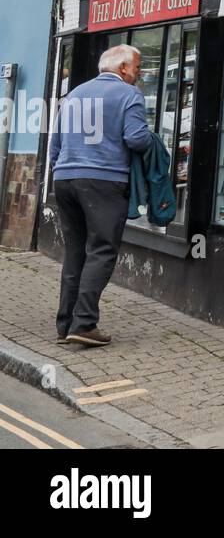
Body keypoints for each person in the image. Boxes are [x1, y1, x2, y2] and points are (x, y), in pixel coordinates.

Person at [47, 44, 153, 347]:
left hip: (65, 179)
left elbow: (55, 146)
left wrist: (68, 169)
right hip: (103, 181)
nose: (140, 71)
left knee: (76, 252)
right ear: (122, 68)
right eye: (137, 65)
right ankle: (84, 323)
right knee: (102, 250)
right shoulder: (130, 95)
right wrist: (151, 140)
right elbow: (136, 139)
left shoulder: (74, 95)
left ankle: (66, 323)